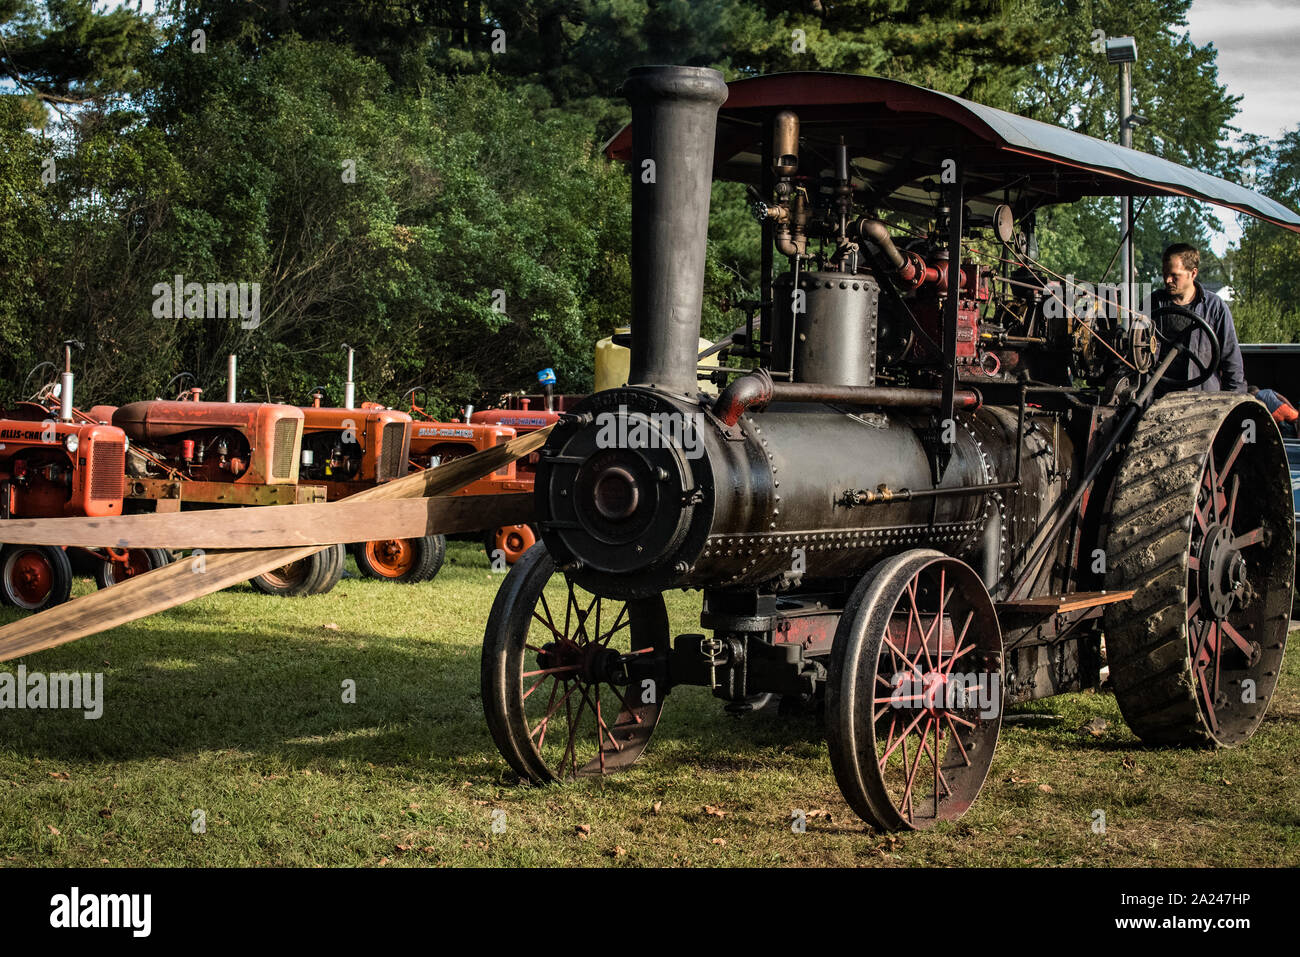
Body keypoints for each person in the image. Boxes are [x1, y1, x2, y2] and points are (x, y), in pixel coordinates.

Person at [1151, 243, 1246, 393]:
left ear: (1193, 273)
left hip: (1201, 399)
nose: (1168, 280)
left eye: (1175, 276)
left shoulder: (1215, 308)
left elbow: (1231, 360)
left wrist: (1233, 402)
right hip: (1160, 396)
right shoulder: (1153, 304)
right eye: (1165, 273)